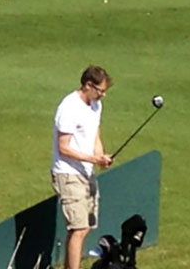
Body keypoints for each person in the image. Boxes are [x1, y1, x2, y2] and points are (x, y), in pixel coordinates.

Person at [51, 65, 113, 269]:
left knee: (85, 228)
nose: (102, 95)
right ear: (88, 85)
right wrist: (93, 159)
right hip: (68, 173)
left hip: (87, 172)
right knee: (78, 228)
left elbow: (95, 134)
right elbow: (64, 148)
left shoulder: (96, 105)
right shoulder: (68, 108)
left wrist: (100, 157)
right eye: (100, 90)